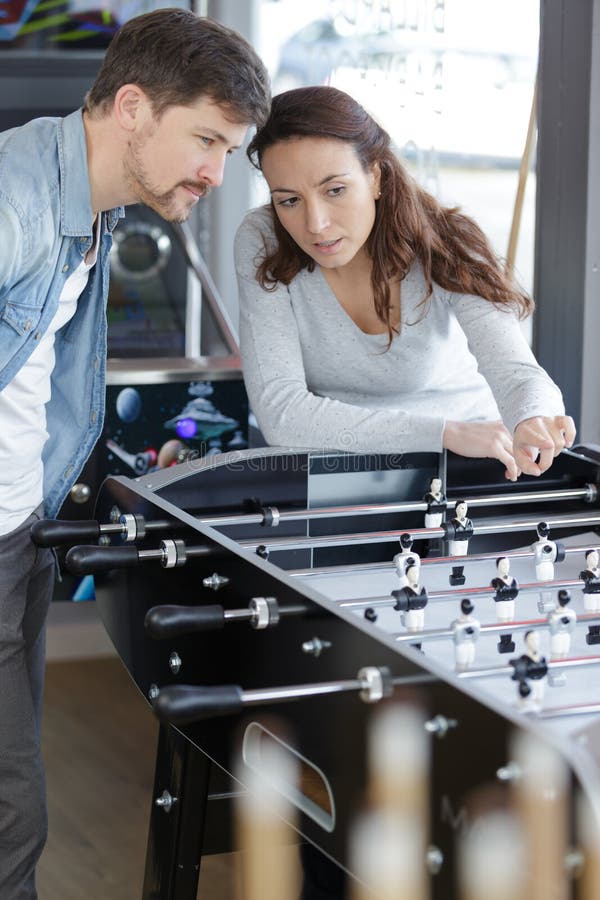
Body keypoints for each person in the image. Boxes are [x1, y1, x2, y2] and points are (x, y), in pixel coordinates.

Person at [0, 10, 269, 899]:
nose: (214, 172)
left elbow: (35, 385)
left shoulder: (92, 202)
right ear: (130, 107)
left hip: (17, 536)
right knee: (14, 816)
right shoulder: (18, 203)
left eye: (229, 149)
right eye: (205, 139)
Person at [234, 85, 576, 481]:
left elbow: (517, 372)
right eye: (289, 200)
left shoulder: (446, 240)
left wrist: (531, 417)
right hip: (342, 469)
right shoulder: (263, 238)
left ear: (376, 176)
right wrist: (442, 433)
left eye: (336, 190)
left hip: (475, 463)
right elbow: (282, 415)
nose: (316, 224)